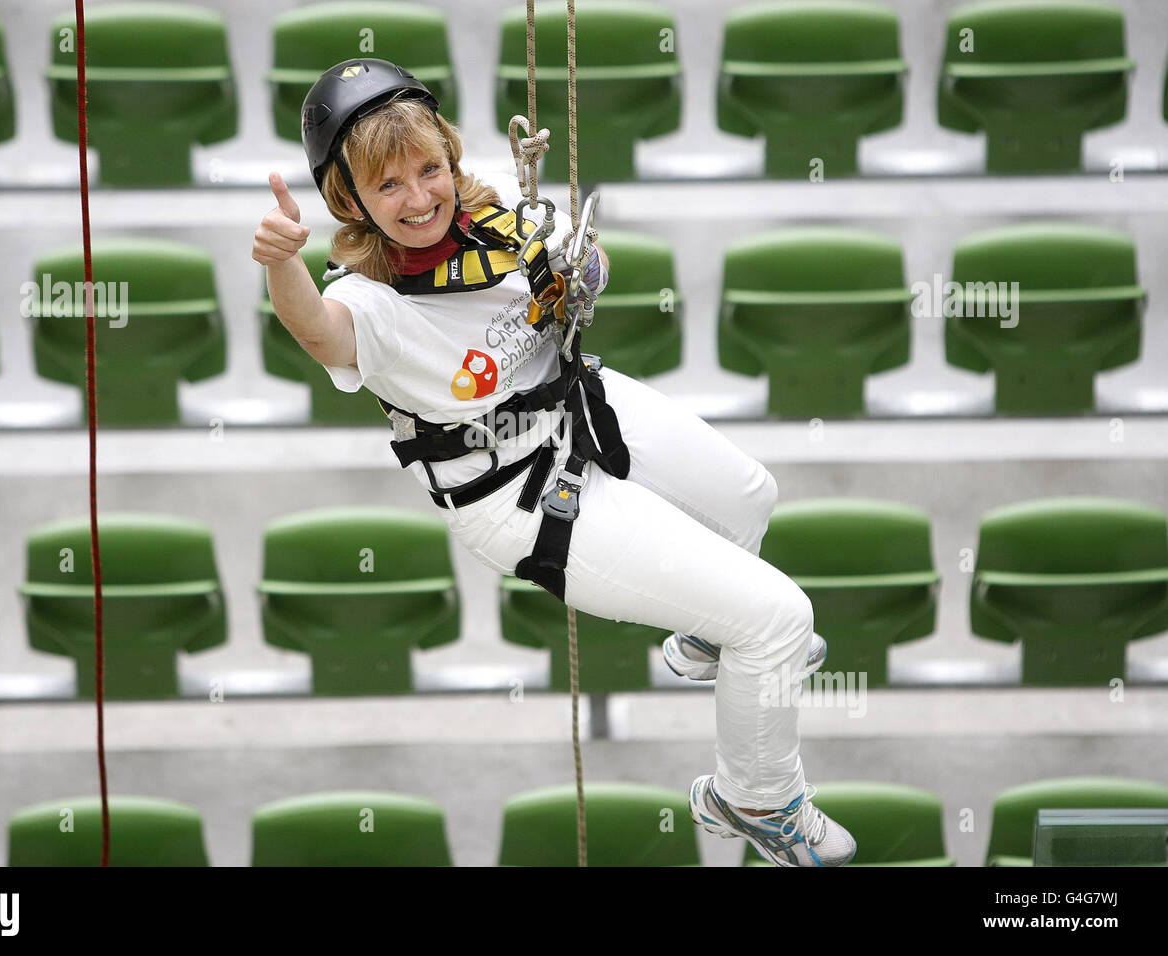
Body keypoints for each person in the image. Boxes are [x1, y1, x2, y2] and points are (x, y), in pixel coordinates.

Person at [252, 58, 857, 867]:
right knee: (779, 621)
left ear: (452, 157)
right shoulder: (373, 302)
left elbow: (584, 258)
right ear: (348, 201)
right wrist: (281, 264)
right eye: (387, 186)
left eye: (429, 168)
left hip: (574, 403)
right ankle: (754, 795)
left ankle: (709, 644)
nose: (421, 197)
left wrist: (585, 270)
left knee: (751, 497)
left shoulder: (495, 198)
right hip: (521, 495)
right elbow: (321, 331)